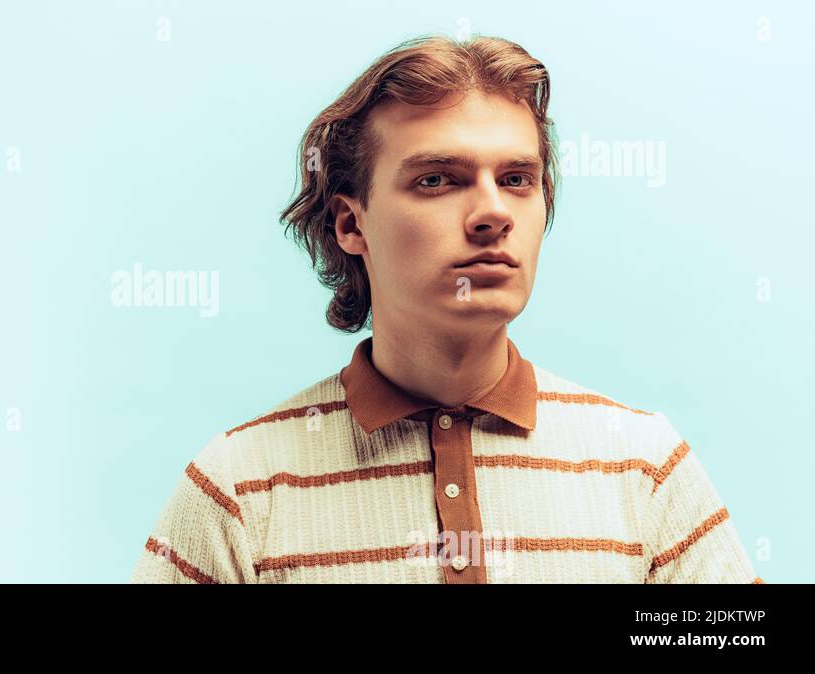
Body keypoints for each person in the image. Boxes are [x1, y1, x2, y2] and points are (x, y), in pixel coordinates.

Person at [130, 34, 761, 584]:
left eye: (517, 179)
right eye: (437, 179)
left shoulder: (645, 465)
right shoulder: (239, 487)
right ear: (352, 223)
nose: (493, 212)